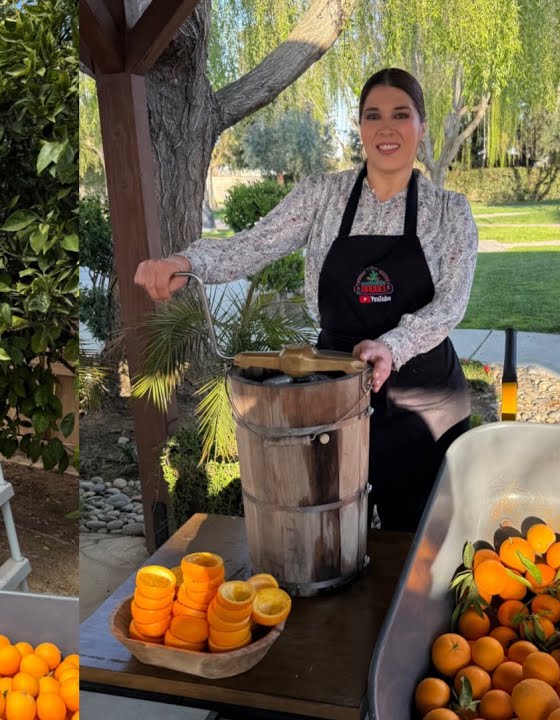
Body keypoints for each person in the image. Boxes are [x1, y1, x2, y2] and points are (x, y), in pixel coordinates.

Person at [135, 68, 479, 532]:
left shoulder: (449, 211)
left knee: (419, 542)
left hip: (425, 397)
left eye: (401, 114)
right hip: (331, 389)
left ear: (421, 124)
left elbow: (451, 304)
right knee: (328, 533)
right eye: (372, 115)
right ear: (360, 128)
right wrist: (186, 262)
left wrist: (392, 346)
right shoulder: (323, 196)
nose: (386, 127)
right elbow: (255, 244)